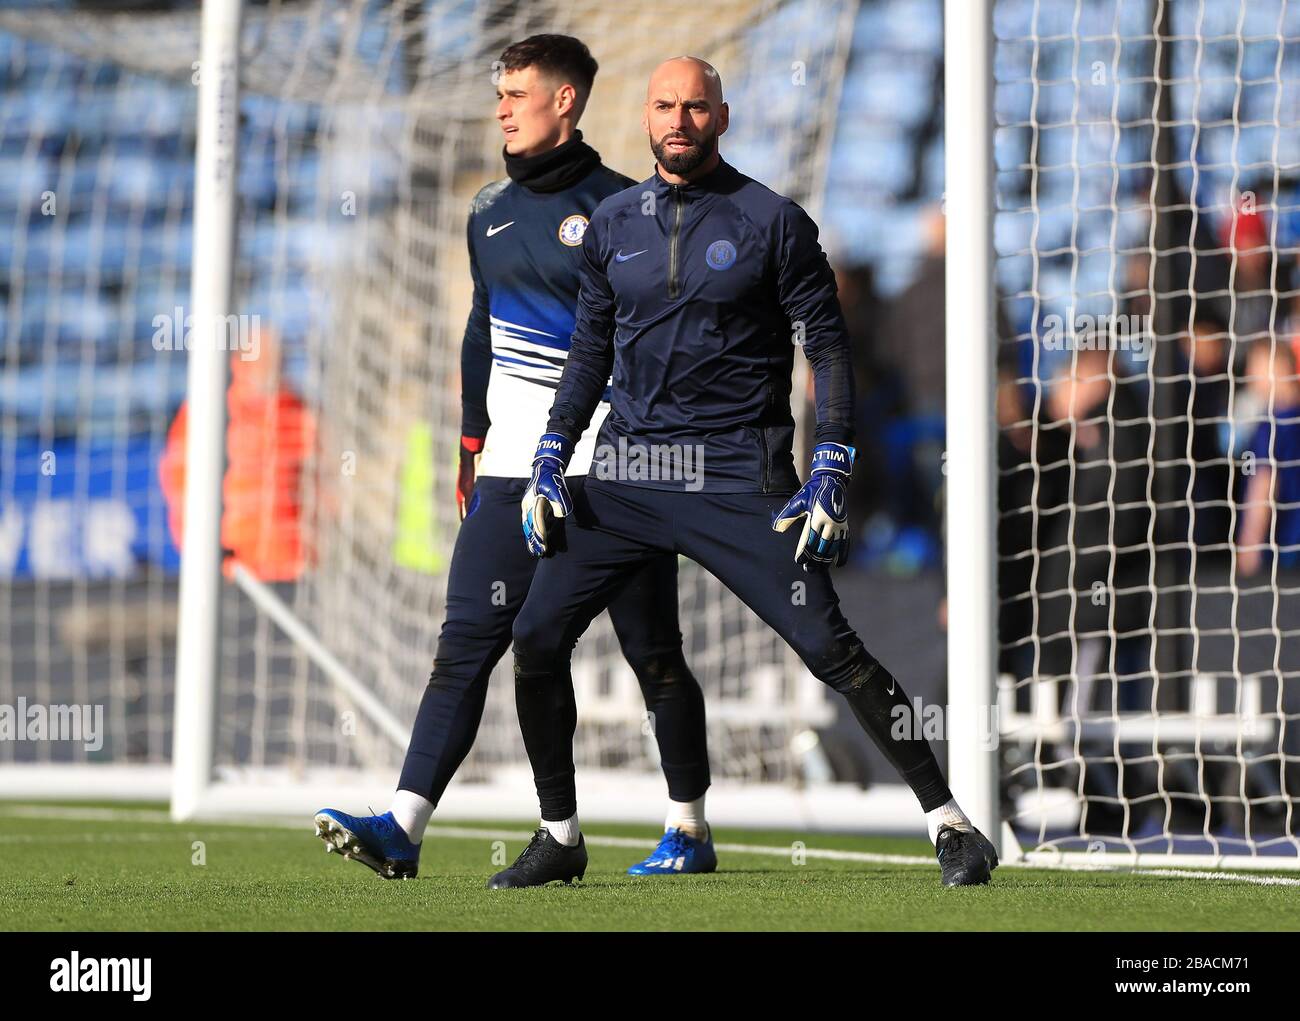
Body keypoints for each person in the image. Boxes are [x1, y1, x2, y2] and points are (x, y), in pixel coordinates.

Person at [487, 56, 998, 890]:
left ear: (721, 116)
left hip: (735, 474)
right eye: (665, 106)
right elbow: (588, 354)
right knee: (537, 637)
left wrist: (831, 457)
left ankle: (951, 824)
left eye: (695, 106)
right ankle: (561, 834)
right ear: (645, 117)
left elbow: (828, 347)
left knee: (830, 648)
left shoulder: (775, 220)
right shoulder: (613, 223)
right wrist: (553, 452)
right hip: (624, 475)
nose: (679, 119)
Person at [313, 35, 716, 881]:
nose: (501, 106)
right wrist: (470, 438)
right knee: (466, 642)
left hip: (609, 471)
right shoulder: (487, 207)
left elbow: (654, 341)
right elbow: (480, 328)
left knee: (652, 653)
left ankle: (688, 826)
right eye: (500, 92)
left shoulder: (628, 209)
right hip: (504, 468)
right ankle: (408, 825)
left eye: (517, 93)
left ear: (565, 101)